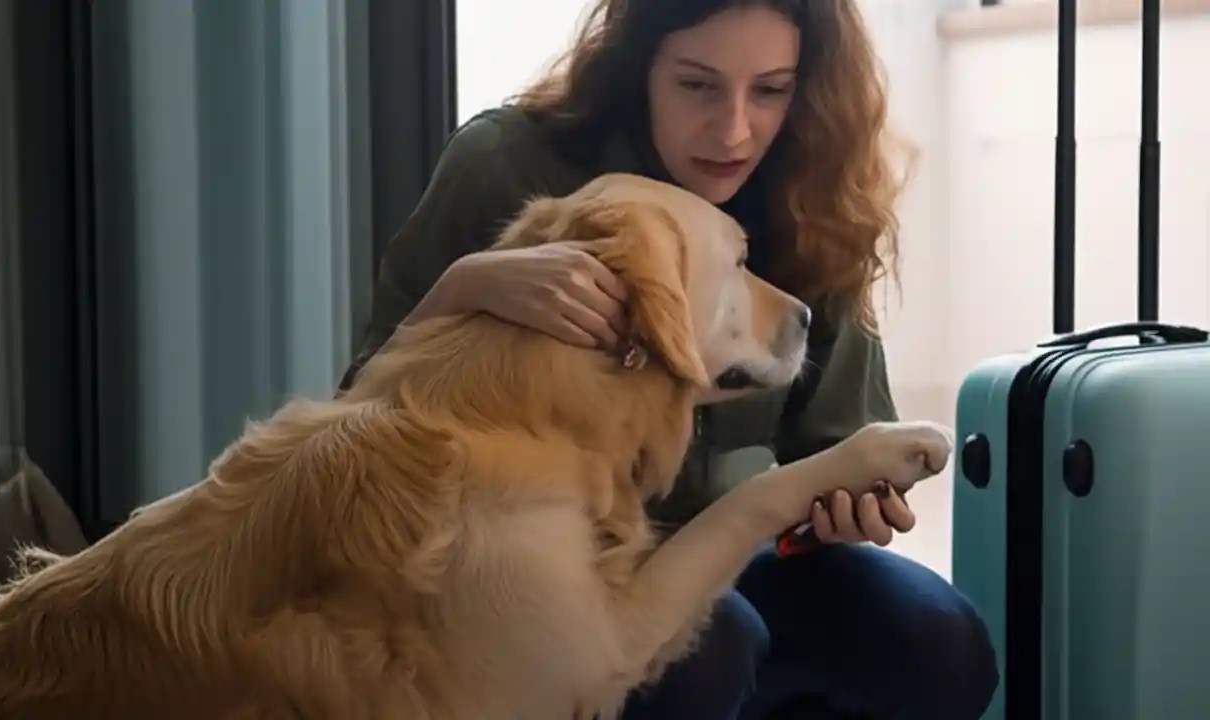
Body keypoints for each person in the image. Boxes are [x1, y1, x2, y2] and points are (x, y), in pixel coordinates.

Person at [336, 0, 998, 717]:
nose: (734, 129)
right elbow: (357, 424)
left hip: (733, 557)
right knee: (713, 647)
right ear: (639, 66)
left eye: (770, 89)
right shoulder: (504, 165)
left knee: (934, 637)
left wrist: (848, 505)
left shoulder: (816, 194)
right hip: (528, 587)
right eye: (698, 85)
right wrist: (462, 285)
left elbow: (838, 448)